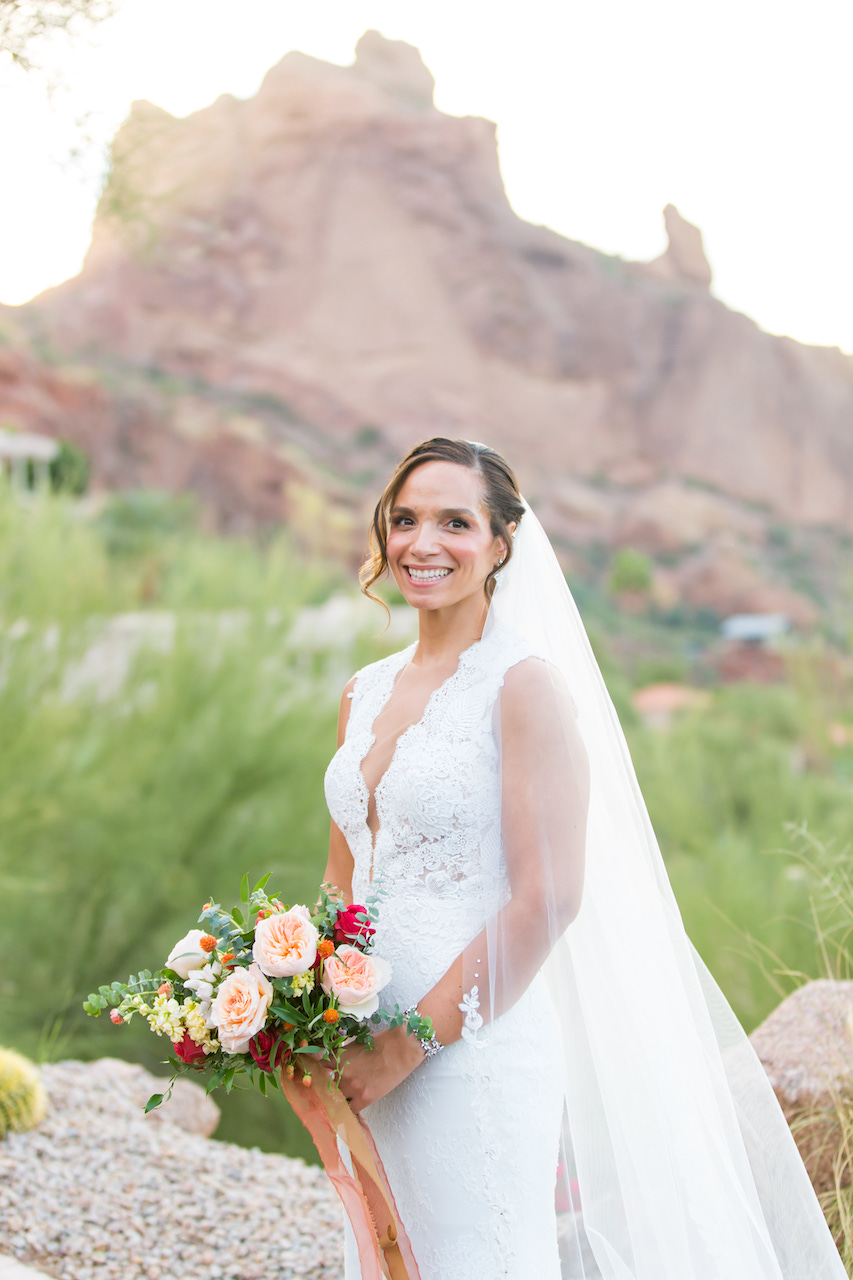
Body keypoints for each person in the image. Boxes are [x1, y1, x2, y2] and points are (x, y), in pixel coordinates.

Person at [323, 437, 846, 1280]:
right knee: (380, 1258)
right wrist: (305, 1009)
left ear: (500, 544)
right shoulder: (364, 692)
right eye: (406, 519)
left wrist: (405, 1047)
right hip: (361, 1044)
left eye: (455, 523)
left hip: (466, 1057)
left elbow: (547, 900)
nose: (422, 543)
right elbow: (343, 877)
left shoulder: (521, 685)